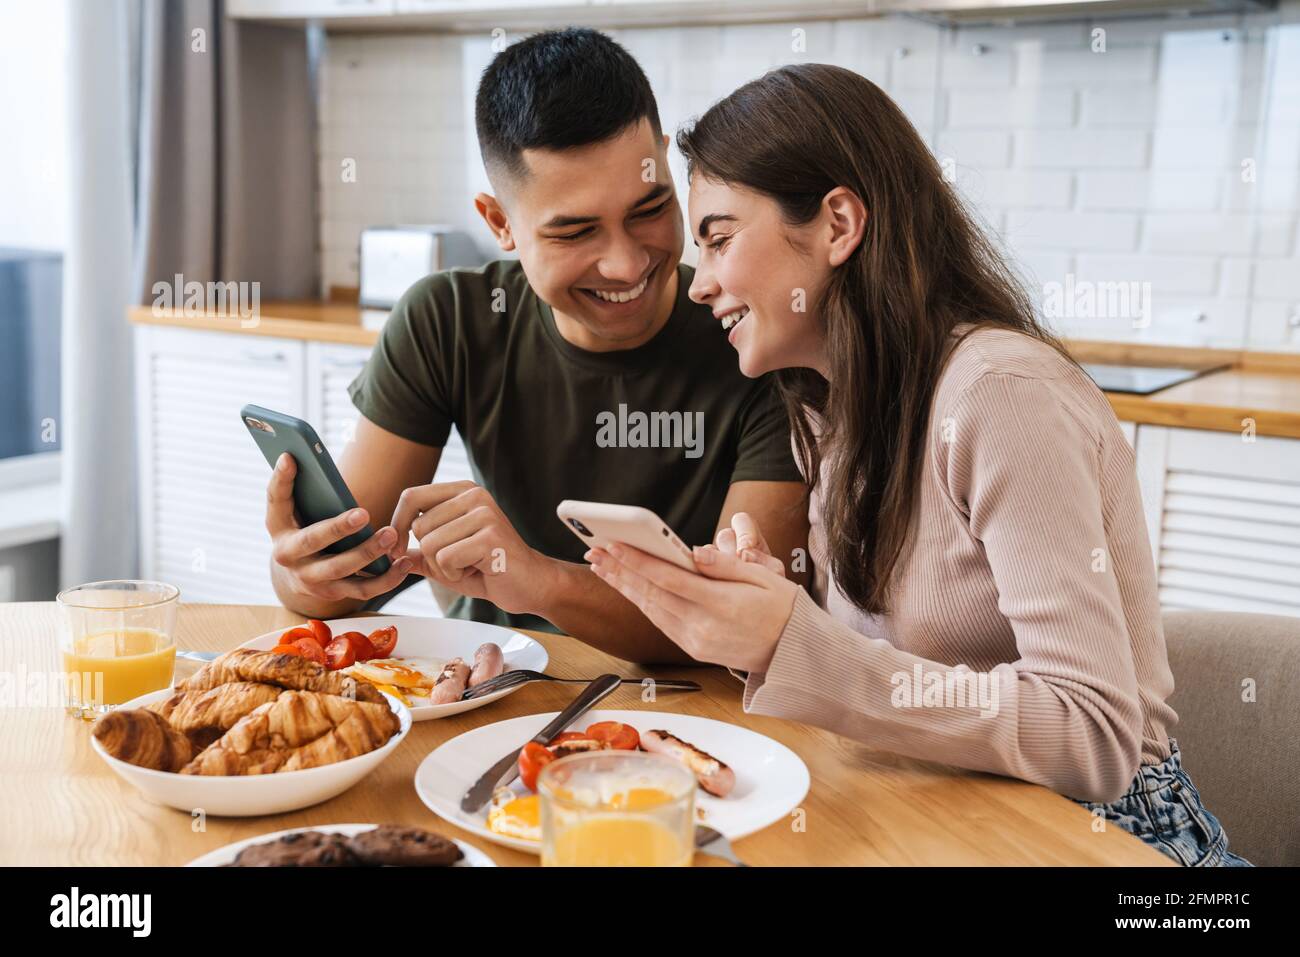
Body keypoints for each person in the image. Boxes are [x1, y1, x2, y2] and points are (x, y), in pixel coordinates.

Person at [588, 63, 1249, 865]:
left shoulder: (1001, 396)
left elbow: (1095, 733)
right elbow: (900, 673)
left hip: (1102, 836)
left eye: (720, 237)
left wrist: (801, 645)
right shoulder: (828, 405)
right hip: (939, 804)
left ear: (838, 224)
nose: (700, 283)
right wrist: (768, 622)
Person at [263, 28, 808, 664]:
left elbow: (748, 626)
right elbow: (339, 586)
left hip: (695, 707)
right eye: (575, 232)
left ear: (665, 162)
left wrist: (537, 580)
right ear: (499, 223)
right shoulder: (447, 321)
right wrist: (299, 572)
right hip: (486, 682)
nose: (627, 264)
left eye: (649, 208)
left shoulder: (760, 339)